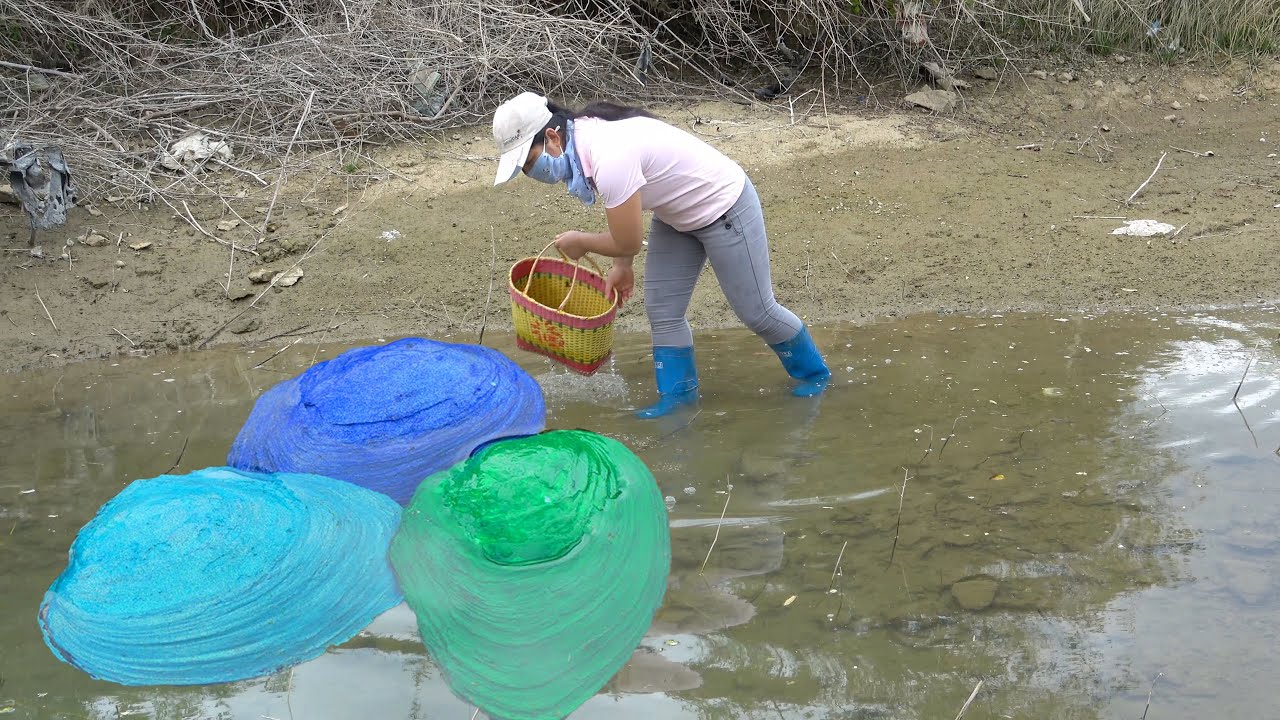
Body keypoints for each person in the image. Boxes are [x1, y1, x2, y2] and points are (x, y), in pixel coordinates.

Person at [491, 91, 830, 418]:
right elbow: (629, 217)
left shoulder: (608, 153)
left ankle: (817, 377)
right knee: (663, 311)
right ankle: (678, 401)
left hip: (724, 207)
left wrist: (583, 242)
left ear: (552, 137)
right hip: (676, 214)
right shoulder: (585, 143)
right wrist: (621, 266)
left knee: (757, 311)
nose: (530, 174)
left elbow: (628, 241)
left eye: (529, 163)